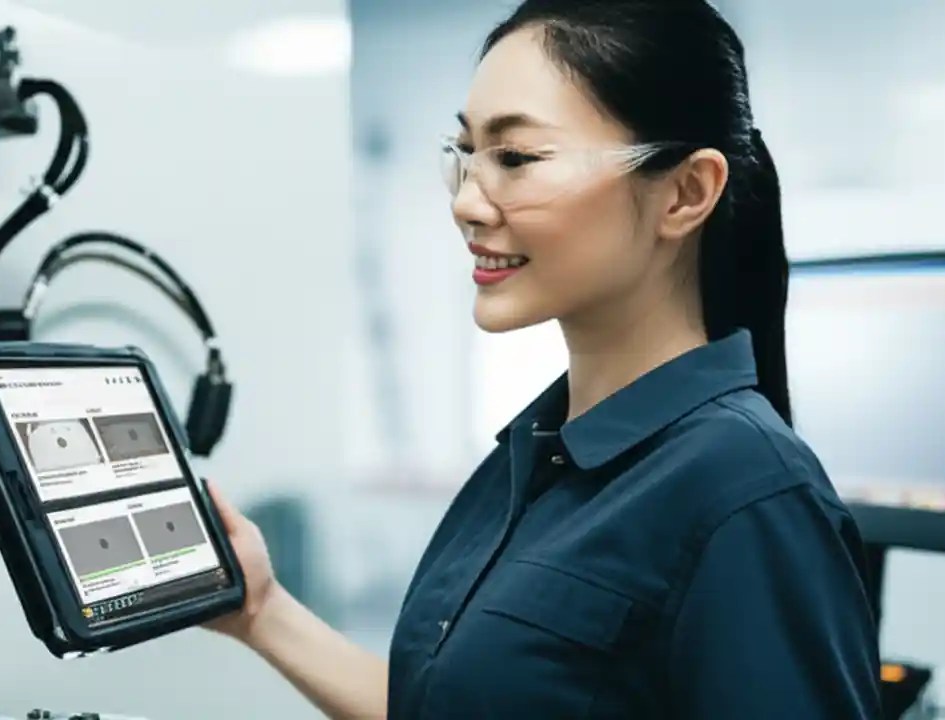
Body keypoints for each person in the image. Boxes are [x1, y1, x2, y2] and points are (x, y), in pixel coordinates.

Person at [205, 0, 882, 717]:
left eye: (517, 159)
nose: (468, 201)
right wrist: (263, 610)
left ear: (686, 193)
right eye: (465, 155)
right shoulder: (539, 456)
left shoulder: (747, 496)